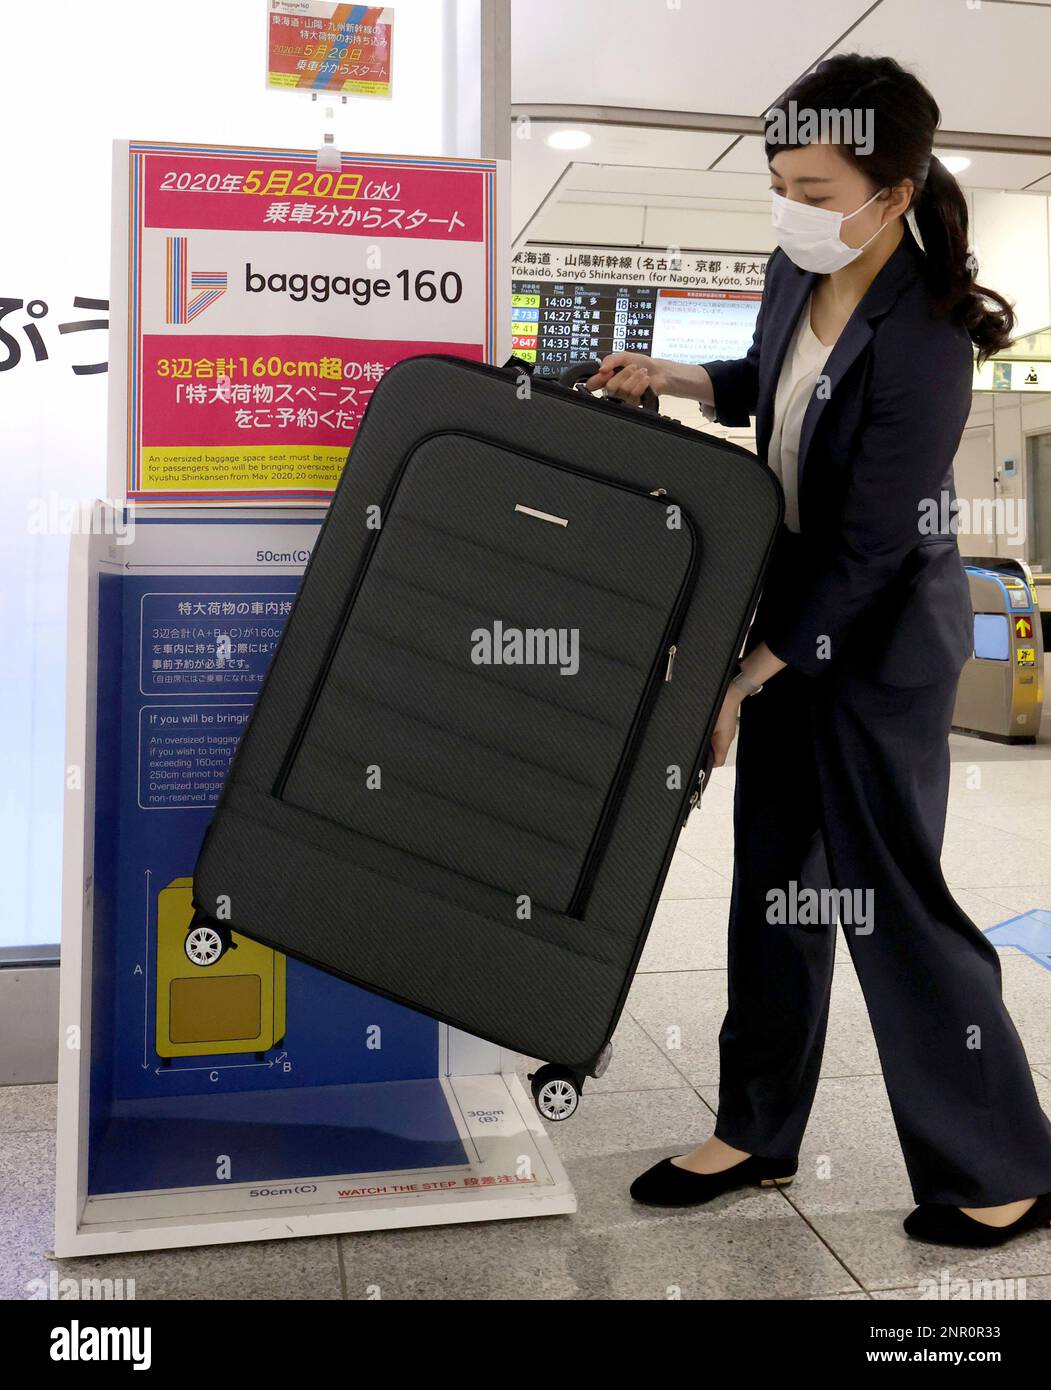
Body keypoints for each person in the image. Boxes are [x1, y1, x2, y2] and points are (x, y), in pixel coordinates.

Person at [589, 53, 1051, 1247]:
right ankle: (754, 1128)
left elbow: (871, 551)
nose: (788, 207)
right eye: (778, 183)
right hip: (792, 625)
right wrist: (671, 375)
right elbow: (769, 385)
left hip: (878, 646)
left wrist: (743, 679)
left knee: (889, 899)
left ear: (891, 195)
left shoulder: (927, 340)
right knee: (773, 886)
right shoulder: (795, 271)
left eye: (812, 187)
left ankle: (1003, 1165)